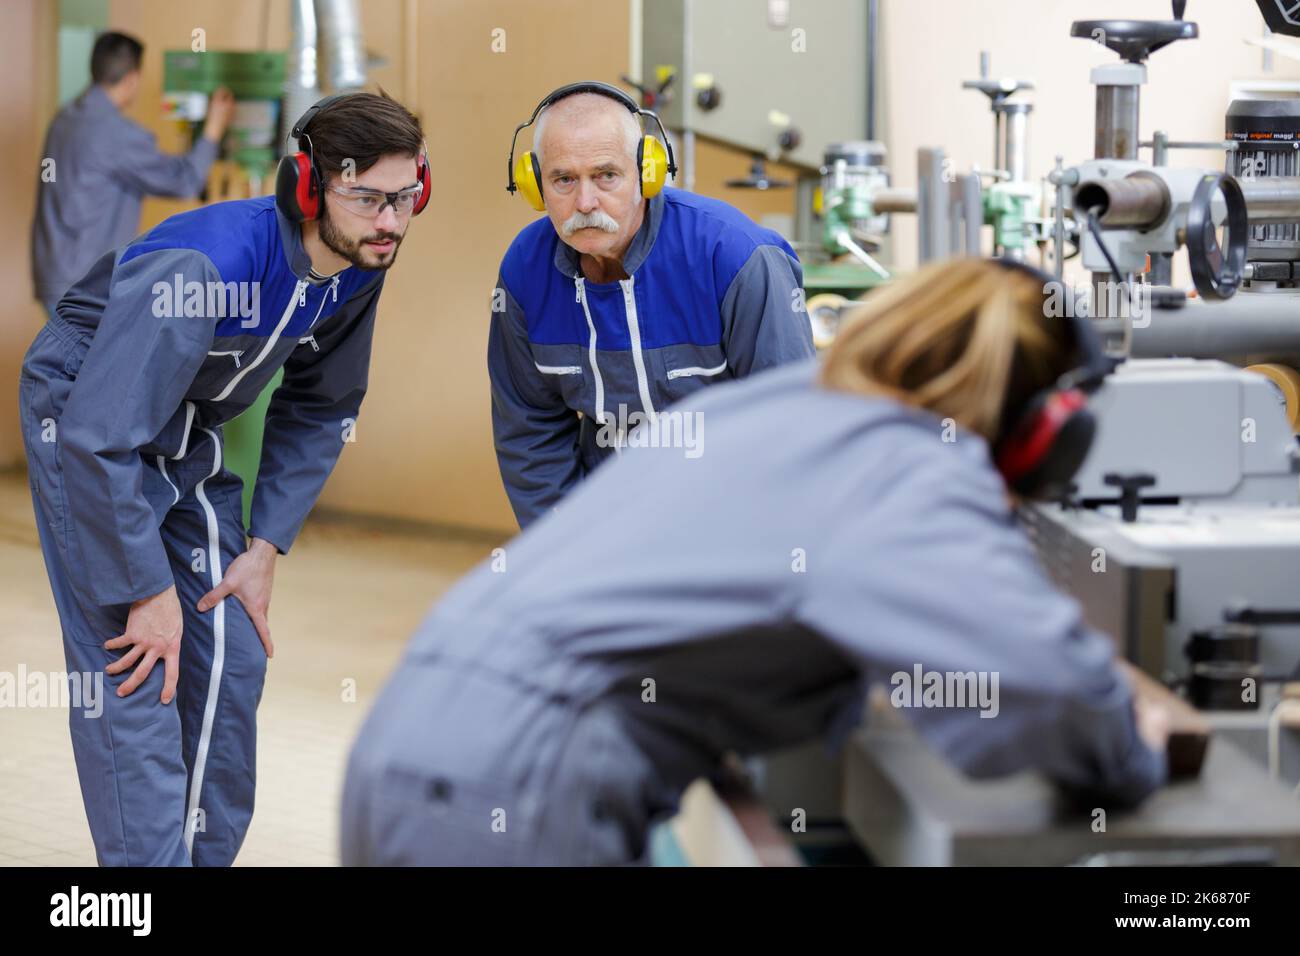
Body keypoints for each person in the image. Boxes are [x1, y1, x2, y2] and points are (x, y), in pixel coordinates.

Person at [341, 257, 1170, 866]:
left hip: (411, 750)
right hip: (511, 790)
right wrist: (1140, 749)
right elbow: (1041, 685)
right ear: (1039, 432)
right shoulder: (905, 464)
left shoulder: (770, 410)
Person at [19, 91, 429, 866]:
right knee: (138, 662)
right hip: (87, 414)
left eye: (406, 197)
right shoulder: (206, 267)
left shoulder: (357, 267)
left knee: (230, 653)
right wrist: (145, 589)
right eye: (368, 198)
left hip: (184, 425)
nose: (391, 221)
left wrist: (267, 543)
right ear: (308, 188)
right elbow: (102, 435)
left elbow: (324, 402)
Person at [489, 81, 815, 528]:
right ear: (533, 185)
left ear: (648, 172)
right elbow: (529, 431)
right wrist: (565, 547)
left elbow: (791, 426)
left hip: (733, 519)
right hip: (610, 524)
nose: (585, 203)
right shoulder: (526, 272)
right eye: (564, 179)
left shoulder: (735, 257)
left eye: (606, 175)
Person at [31, 30, 235, 316]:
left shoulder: (65, 118)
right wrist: (213, 129)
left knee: (74, 360)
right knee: (96, 361)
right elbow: (185, 181)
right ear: (131, 78)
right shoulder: (114, 133)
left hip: (52, 274)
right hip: (81, 284)